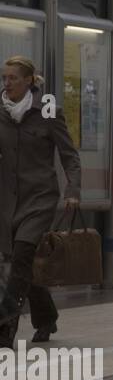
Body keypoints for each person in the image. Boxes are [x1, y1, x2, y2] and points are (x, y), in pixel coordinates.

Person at [0, 56, 81, 348]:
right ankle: (46, 317)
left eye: (12, 78)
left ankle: (5, 330)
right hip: (7, 201)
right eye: (4, 78)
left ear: (28, 81)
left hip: (39, 198)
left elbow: (70, 156)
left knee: (21, 256)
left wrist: (73, 190)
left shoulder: (48, 111)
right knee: (22, 264)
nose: (6, 83)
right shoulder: (1, 112)